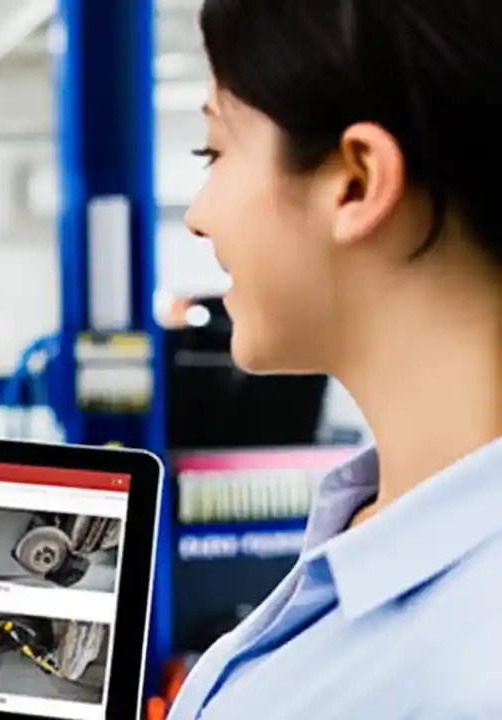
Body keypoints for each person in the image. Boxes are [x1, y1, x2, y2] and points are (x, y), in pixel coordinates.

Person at [169, 0, 502, 718]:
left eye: (215, 153)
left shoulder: (472, 676)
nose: (198, 214)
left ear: (354, 182)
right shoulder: (377, 526)